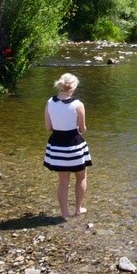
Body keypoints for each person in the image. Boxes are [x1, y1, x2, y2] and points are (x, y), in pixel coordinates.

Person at [43, 73, 91, 219]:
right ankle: (78, 209)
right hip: (74, 144)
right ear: (74, 87)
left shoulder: (50, 102)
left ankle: (64, 214)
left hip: (56, 145)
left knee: (63, 182)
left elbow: (48, 127)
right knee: (81, 177)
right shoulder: (78, 104)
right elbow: (82, 129)